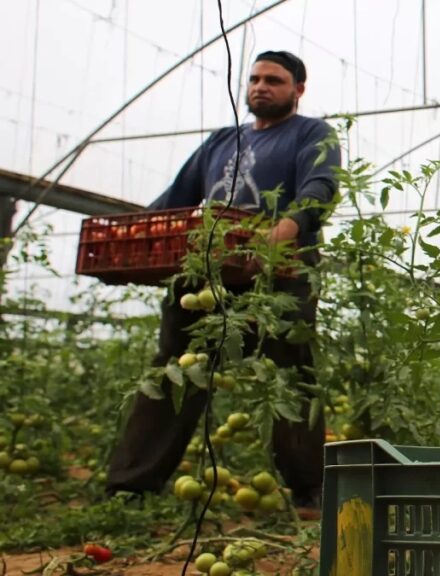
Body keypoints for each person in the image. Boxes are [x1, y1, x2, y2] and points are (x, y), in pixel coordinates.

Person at [107, 50, 341, 511]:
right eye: (254, 78)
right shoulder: (220, 141)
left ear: (298, 89)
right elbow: (175, 199)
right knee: (175, 369)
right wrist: (132, 242)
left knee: (289, 373)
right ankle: (130, 487)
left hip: (278, 273)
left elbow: (320, 187)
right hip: (206, 275)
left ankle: (309, 487)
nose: (260, 86)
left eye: (274, 80)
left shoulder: (311, 133)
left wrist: (282, 232)